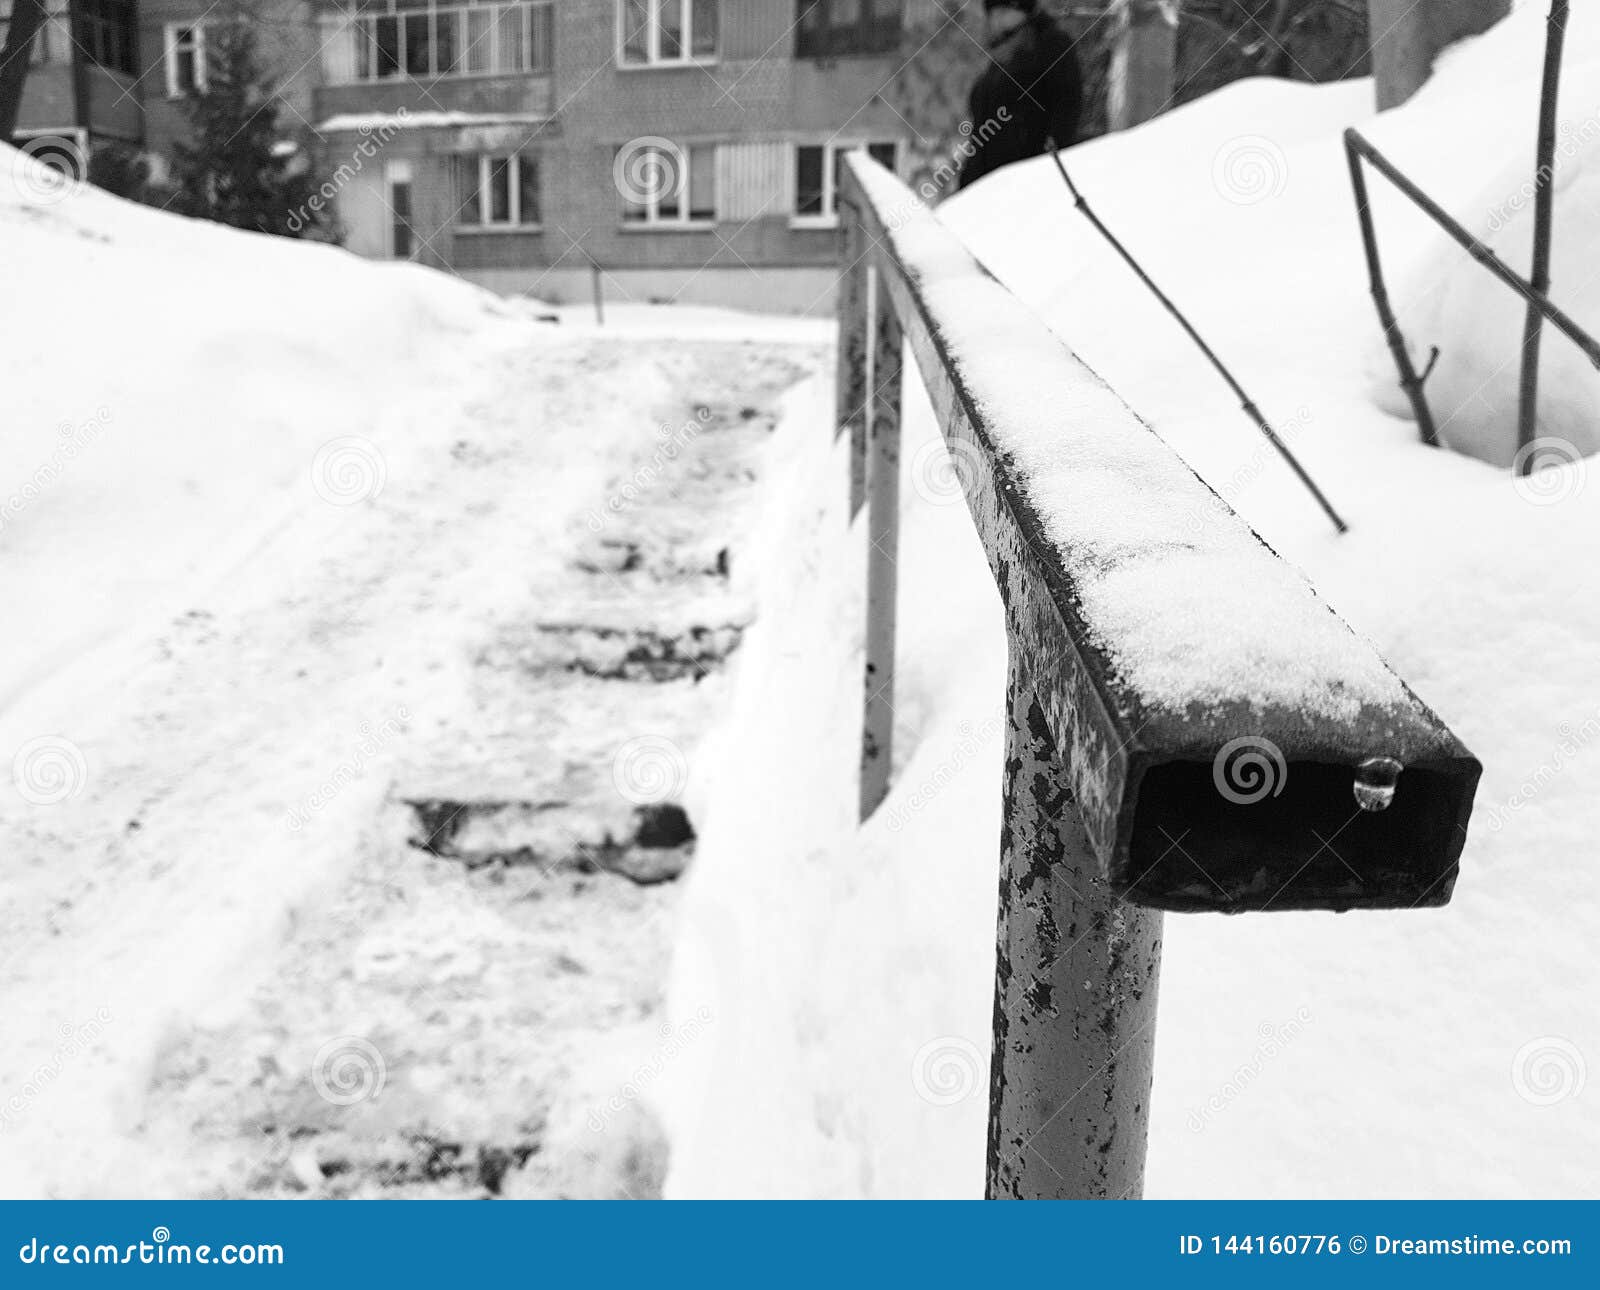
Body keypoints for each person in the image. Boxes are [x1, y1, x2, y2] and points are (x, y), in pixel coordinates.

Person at [958, 0, 1084, 190]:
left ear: (1024, 12)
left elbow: (1067, 106)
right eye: (992, 12)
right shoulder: (999, 57)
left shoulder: (1051, 44)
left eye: (1004, 10)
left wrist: (1050, 165)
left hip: (1030, 180)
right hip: (989, 182)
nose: (996, 19)